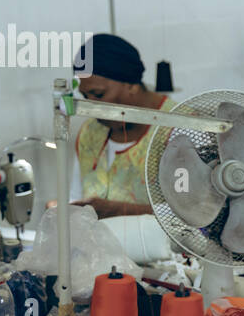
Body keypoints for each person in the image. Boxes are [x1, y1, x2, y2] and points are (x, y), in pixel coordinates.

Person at [69, 34, 174, 218]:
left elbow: (196, 214)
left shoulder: (178, 130)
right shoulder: (90, 133)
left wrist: (120, 211)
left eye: (98, 95)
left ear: (131, 84)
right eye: (85, 97)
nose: (92, 107)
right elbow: (76, 198)